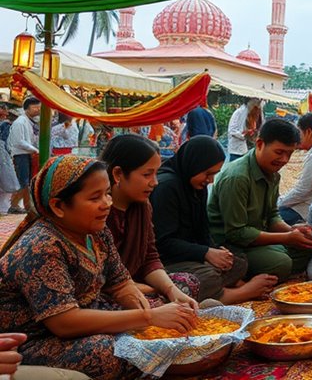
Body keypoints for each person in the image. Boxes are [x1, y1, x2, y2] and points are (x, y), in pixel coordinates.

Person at [0, 156, 198, 380]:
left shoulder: (97, 231)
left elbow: (121, 283)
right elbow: (64, 323)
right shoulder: (41, 246)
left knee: (178, 293)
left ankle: (155, 357)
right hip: (34, 340)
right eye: (95, 197)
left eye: (107, 194)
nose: (107, 204)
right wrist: (149, 318)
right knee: (108, 353)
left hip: (91, 312)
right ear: (58, 206)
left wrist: (149, 319)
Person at [151, 135, 275, 304]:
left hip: (190, 256)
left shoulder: (196, 185)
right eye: (207, 173)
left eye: (214, 174)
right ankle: (241, 293)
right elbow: (163, 243)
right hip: (167, 261)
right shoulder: (167, 187)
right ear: (193, 164)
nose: (211, 180)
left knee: (238, 262)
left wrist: (216, 251)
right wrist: (205, 253)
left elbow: (202, 230)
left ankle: (225, 287)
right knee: (208, 277)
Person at [208, 119, 312, 281]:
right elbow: (236, 233)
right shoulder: (237, 178)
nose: (285, 160)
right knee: (281, 263)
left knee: (310, 245)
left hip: (258, 239)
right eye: (279, 152)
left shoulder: (273, 174)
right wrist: (286, 238)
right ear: (260, 144)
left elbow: (273, 215)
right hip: (231, 246)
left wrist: (292, 231)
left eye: (289, 153)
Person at [100, 135, 201, 309]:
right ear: (118, 174)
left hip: (139, 284)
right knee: (144, 303)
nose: (155, 182)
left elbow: (149, 257)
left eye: (156, 173)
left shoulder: (142, 206)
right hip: (107, 291)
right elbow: (98, 278)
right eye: (147, 174)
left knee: (188, 282)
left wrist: (170, 290)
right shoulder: (98, 211)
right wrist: (140, 289)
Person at [8, 97, 41, 214]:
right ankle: (22, 206)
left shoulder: (28, 121)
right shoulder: (20, 122)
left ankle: (18, 205)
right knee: (24, 182)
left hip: (26, 154)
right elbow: (19, 142)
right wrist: (35, 150)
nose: (37, 110)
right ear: (27, 108)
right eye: (35, 107)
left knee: (25, 181)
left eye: (39, 107)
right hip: (21, 154)